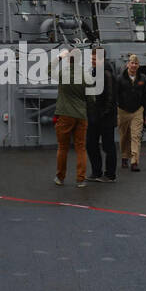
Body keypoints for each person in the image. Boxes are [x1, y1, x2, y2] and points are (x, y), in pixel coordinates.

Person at [53, 47, 89, 188]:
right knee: (81, 148)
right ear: (80, 59)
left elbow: (48, 70)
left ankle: (60, 177)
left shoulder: (63, 73)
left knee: (63, 147)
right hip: (81, 115)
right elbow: (91, 97)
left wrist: (59, 57)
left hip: (65, 114)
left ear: (69, 59)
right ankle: (81, 179)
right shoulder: (86, 75)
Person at [85, 47, 118, 182]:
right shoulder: (94, 72)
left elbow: (110, 96)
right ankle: (96, 172)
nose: (92, 60)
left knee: (108, 146)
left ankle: (110, 175)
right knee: (91, 144)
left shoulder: (106, 73)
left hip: (105, 117)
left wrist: (103, 113)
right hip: (94, 116)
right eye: (91, 58)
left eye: (94, 58)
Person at [116, 54, 146, 171]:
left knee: (136, 136)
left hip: (137, 110)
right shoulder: (120, 78)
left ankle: (134, 162)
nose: (133, 65)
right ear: (128, 64)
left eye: (136, 63)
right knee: (124, 136)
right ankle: (124, 157)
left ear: (138, 66)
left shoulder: (142, 78)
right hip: (123, 111)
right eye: (132, 63)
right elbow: (115, 95)